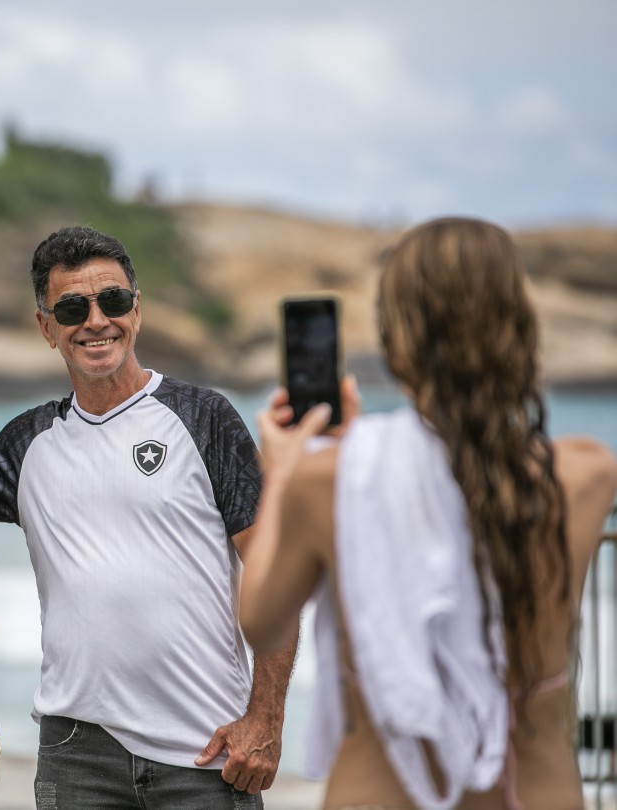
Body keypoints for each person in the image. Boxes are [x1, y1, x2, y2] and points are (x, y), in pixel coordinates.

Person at [0, 224, 297, 807]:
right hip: (77, 757)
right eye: (72, 308)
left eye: (112, 301)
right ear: (46, 327)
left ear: (136, 310)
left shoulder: (205, 418)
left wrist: (265, 718)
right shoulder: (26, 443)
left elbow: (275, 575)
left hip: (206, 753)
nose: (96, 321)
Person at [239, 217, 617, 809]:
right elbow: (471, 477)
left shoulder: (330, 481)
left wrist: (287, 471)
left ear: (397, 342)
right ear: (521, 328)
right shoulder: (586, 475)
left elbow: (262, 623)